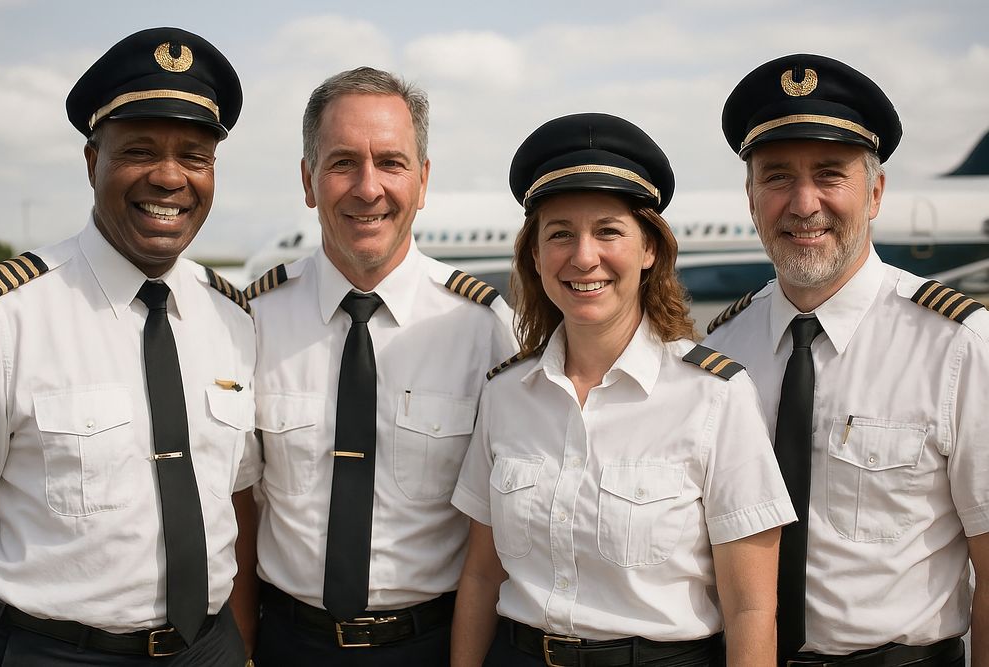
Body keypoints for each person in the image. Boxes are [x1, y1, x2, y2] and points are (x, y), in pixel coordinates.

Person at [450, 112, 796, 667]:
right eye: (559, 233)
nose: (584, 257)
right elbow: (481, 574)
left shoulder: (715, 397)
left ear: (649, 249)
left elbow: (751, 609)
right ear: (535, 257)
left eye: (609, 231)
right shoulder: (506, 394)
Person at [705, 53, 988, 666]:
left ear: (876, 192)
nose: (804, 203)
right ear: (750, 197)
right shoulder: (722, 352)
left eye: (830, 175)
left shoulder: (958, 347)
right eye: (777, 177)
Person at [0, 27, 258, 666]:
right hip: (56, 651)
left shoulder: (234, 317)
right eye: (139, 150)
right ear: (92, 162)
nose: (169, 178)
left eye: (195, 157)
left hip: (209, 648)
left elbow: (236, 498)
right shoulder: (10, 317)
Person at [244, 66, 516, 666]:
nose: (368, 188)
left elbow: (502, 525)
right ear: (309, 180)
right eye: (343, 163)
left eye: (391, 163)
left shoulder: (483, 327)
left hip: (435, 645)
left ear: (422, 181)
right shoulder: (252, 321)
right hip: (287, 643)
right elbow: (235, 501)